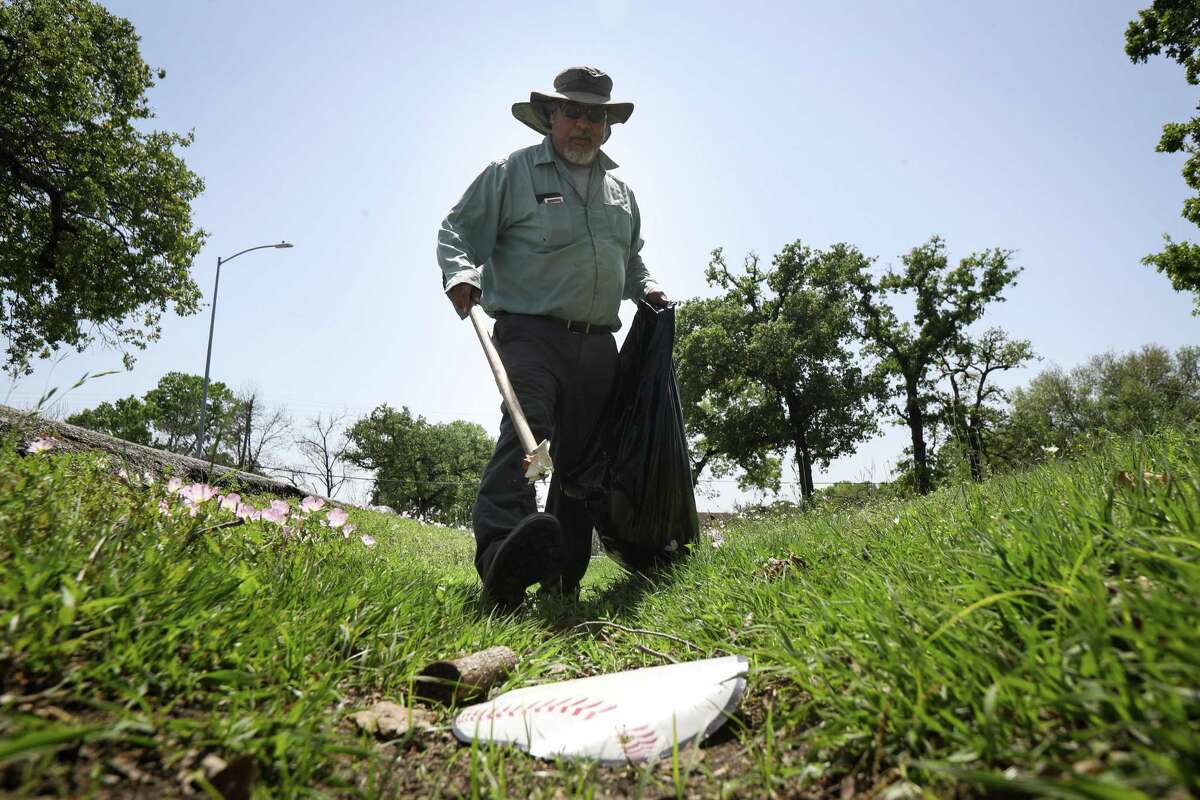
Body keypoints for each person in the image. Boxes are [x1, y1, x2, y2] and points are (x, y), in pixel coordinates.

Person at [437, 66, 668, 610]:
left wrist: (649, 289)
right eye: (573, 112)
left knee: (584, 464)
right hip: (530, 334)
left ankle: (562, 579)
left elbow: (631, 262)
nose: (583, 124)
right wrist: (461, 274)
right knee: (528, 434)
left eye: (595, 115)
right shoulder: (511, 173)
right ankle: (500, 558)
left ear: (607, 126)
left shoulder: (622, 194)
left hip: (598, 345)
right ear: (550, 116)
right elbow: (457, 230)